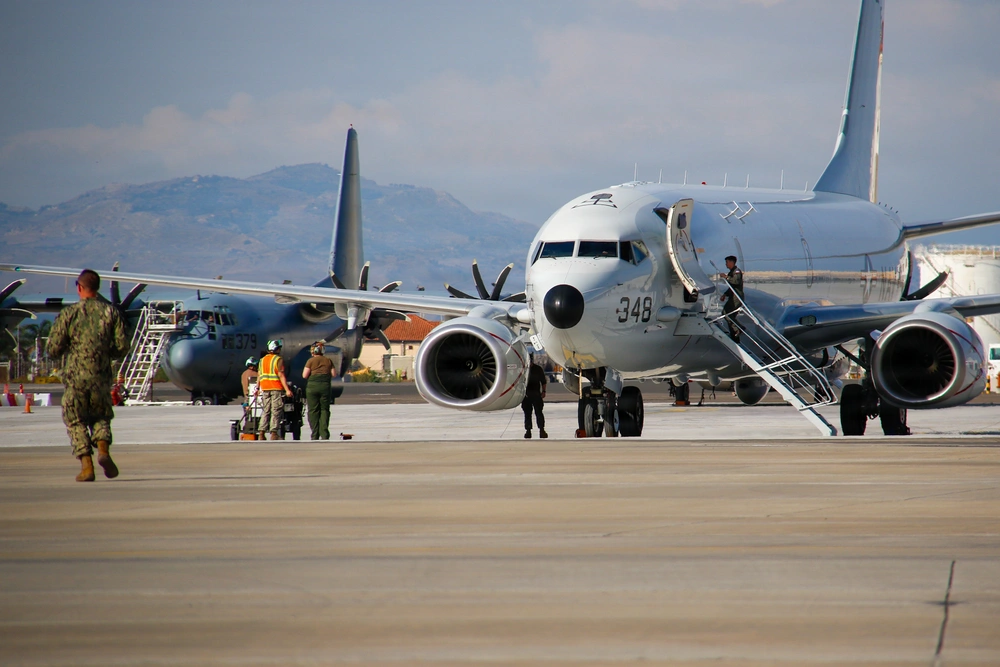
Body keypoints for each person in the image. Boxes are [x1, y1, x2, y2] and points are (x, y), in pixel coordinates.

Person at [47, 269, 129, 481]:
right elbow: (122, 346)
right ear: (98, 287)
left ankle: (87, 466)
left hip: (75, 378)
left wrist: (71, 349)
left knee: (76, 420)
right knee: (101, 416)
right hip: (101, 377)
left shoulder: (69, 314)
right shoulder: (111, 313)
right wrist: (103, 353)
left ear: (79, 287)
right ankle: (103, 450)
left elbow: (53, 349)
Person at [257, 340, 292, 440]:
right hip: (276, 387)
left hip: (265, 388)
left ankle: (261, 433)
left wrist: (257, 388)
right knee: (276, 411)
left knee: (266, 411)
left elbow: (259, 374)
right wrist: (287, 390)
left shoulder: (262, 360)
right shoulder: (278, 359)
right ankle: (273, 433)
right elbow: (281, 375)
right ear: (276, 349)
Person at [302, 342, 336, 440]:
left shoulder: (310, 361)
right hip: (325, 387)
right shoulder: (328, 361)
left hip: (312, 387)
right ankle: (324, 434)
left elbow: (304, 375)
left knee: (313, 411)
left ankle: (314, 434)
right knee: (324, 410)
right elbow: (333, 374)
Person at [521, 353, 547, 439]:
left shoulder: (538, 369)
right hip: (526, 395)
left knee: (538, 413)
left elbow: (543, 382)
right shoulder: (523, 369)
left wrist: (543, 391)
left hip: (536, 394)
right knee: (527, 414)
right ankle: (528, 431)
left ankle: (541, 430)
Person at [721, 254, 744, 343]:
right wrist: (725, 294)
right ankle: (735, 337)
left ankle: (739, 329)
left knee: (726, 313)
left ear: (732, 262)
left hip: (736, 297)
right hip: (733, 296)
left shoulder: (736, 272)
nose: (726, 264)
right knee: (731, 318)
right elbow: (731, 287)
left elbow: (736, 282)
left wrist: (726, 277)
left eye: (727, 262)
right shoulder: (732, 272)